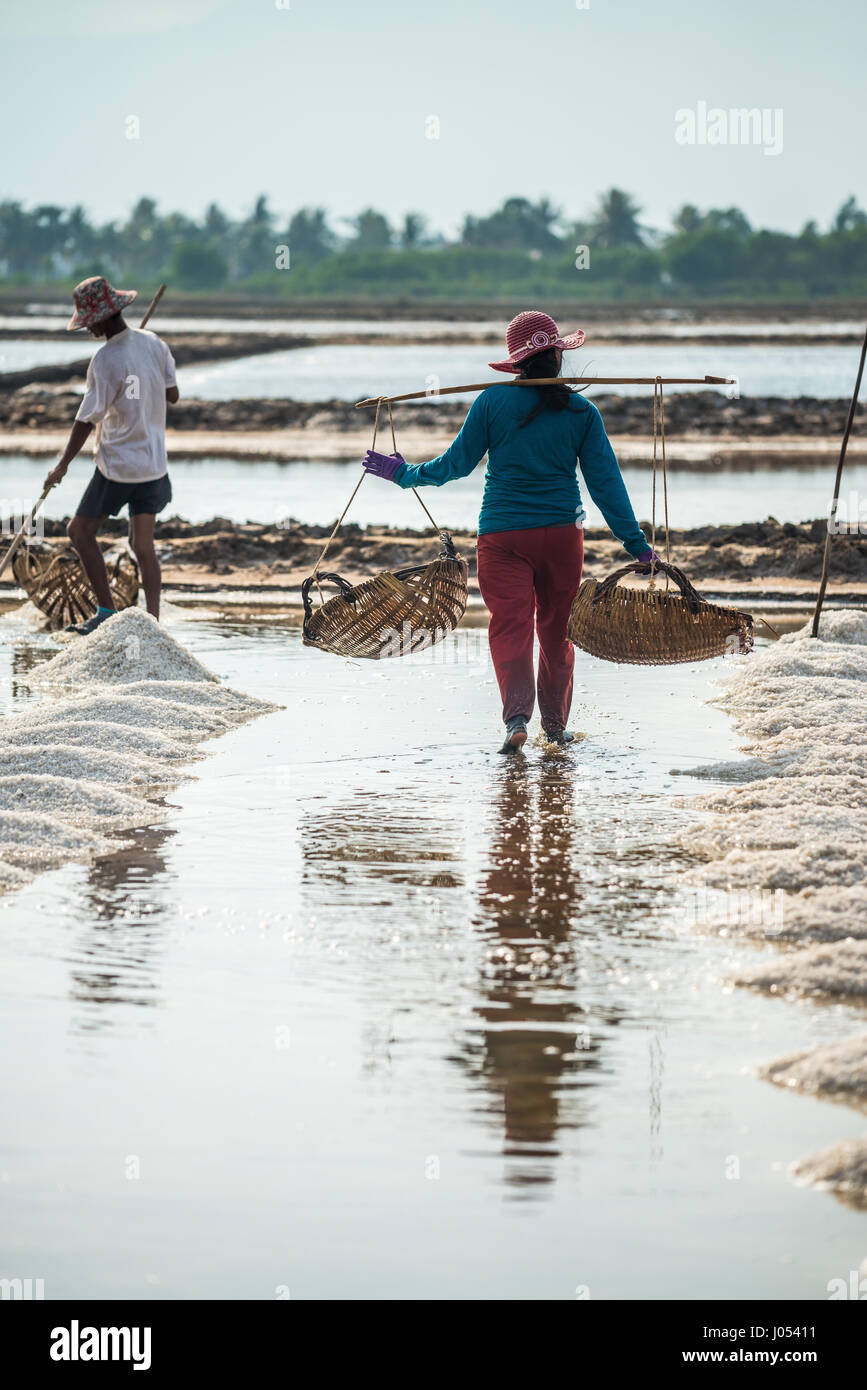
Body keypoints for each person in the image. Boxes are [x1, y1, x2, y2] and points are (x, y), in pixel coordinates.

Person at [362, 310, 658, 753]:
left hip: (502, 538)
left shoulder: (491, 403)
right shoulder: (582, 411)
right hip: (562, 537)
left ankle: (517, 719)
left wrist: (404, 474)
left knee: (510, 628)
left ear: (517, 362)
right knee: (557, 632)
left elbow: (452, 467)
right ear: (557, 355)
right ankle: (555, 730)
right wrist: (638, 546)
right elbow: (606, 486)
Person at [43, 276, 179, 633]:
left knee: (80, 532)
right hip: (154, 465)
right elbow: (173, 395)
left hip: (119, 466)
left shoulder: (106, 359)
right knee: (142, 545)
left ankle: (106, 611)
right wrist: (141, 379)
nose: (88, 329)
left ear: (105, 317)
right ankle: (153, 622)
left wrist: (62, 465)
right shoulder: (153, 343)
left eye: (90, 323)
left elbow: (87, 419)